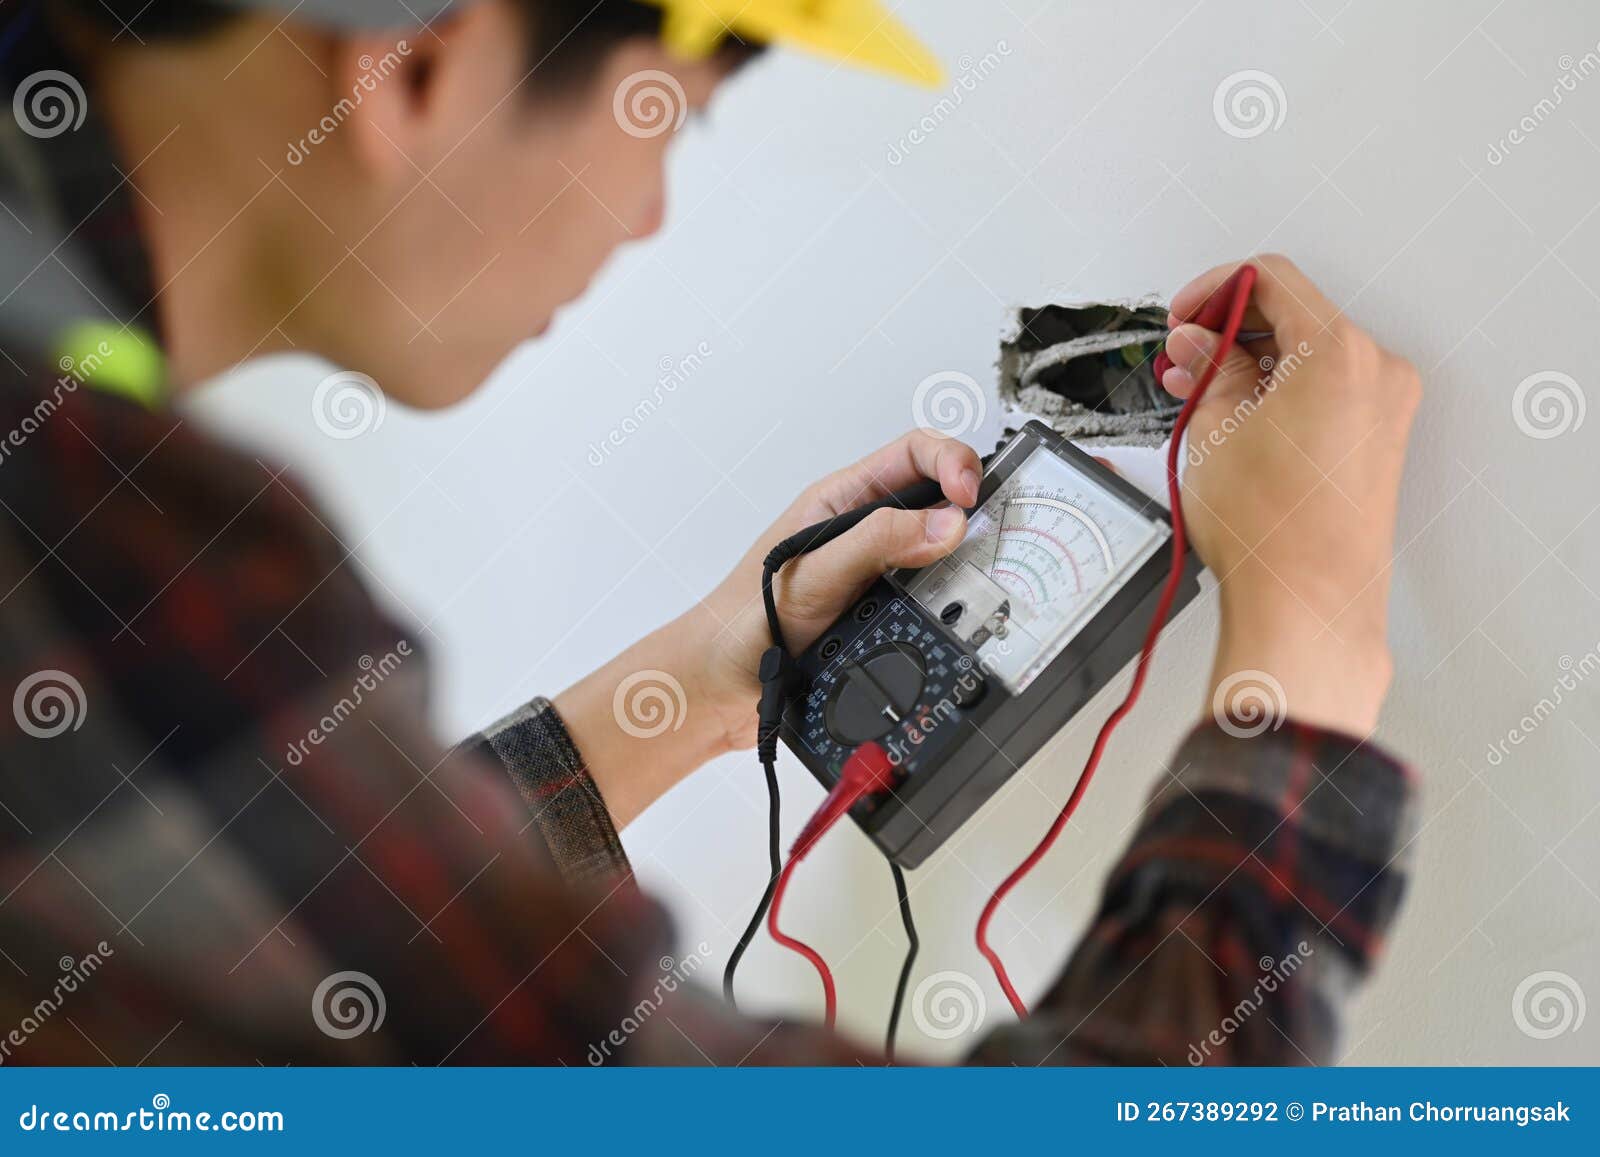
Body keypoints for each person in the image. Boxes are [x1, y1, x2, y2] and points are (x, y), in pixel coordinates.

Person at [0, 0, 1421, 1064]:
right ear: (418, 64)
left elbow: (231, 892)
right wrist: (1302, 649)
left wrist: (712, 676)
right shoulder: (96, 533)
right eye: (663, 123)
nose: (648, 214)